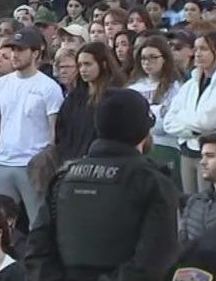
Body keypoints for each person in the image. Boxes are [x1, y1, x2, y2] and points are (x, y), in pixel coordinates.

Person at [26, 88, 178, 281]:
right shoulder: (152, 181)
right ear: (144, 131)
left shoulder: (64, 178)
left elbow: (37, 249)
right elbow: (155, 260)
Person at [0, 27, 63, 225]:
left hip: (32, 164)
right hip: (1, 162)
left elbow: (54, 130)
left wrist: (46, 165)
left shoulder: (49, 87)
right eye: (13, 49)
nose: (14, 54)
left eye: (20, 50)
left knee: (38, 223)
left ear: (36, 53)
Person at [164, 31, 216, 195]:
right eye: (196, 49)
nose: (198, 53)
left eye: (204, 49)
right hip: (187, 151)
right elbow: (169, 121)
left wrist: (184, 120)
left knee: (211, 202)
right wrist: (192, 129)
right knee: (190, 204)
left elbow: (206, 122)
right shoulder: (190, 84)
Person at [55, 42, 126, 164]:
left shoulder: (116, 98)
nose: (83, 69)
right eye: (80, 65)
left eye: (87, 64)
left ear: (103, 64)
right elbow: (61, 131)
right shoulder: (74, 98)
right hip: (72, 164)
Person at [128, 36, 183, 185]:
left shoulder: (175, 87)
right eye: (144, 58)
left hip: (167, 147)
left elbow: (166, 125)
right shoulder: (133, 87)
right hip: (139, 149)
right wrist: (158, 111)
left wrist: (147, 116)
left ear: (164, 58)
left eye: (153, 57)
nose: (147, 62)